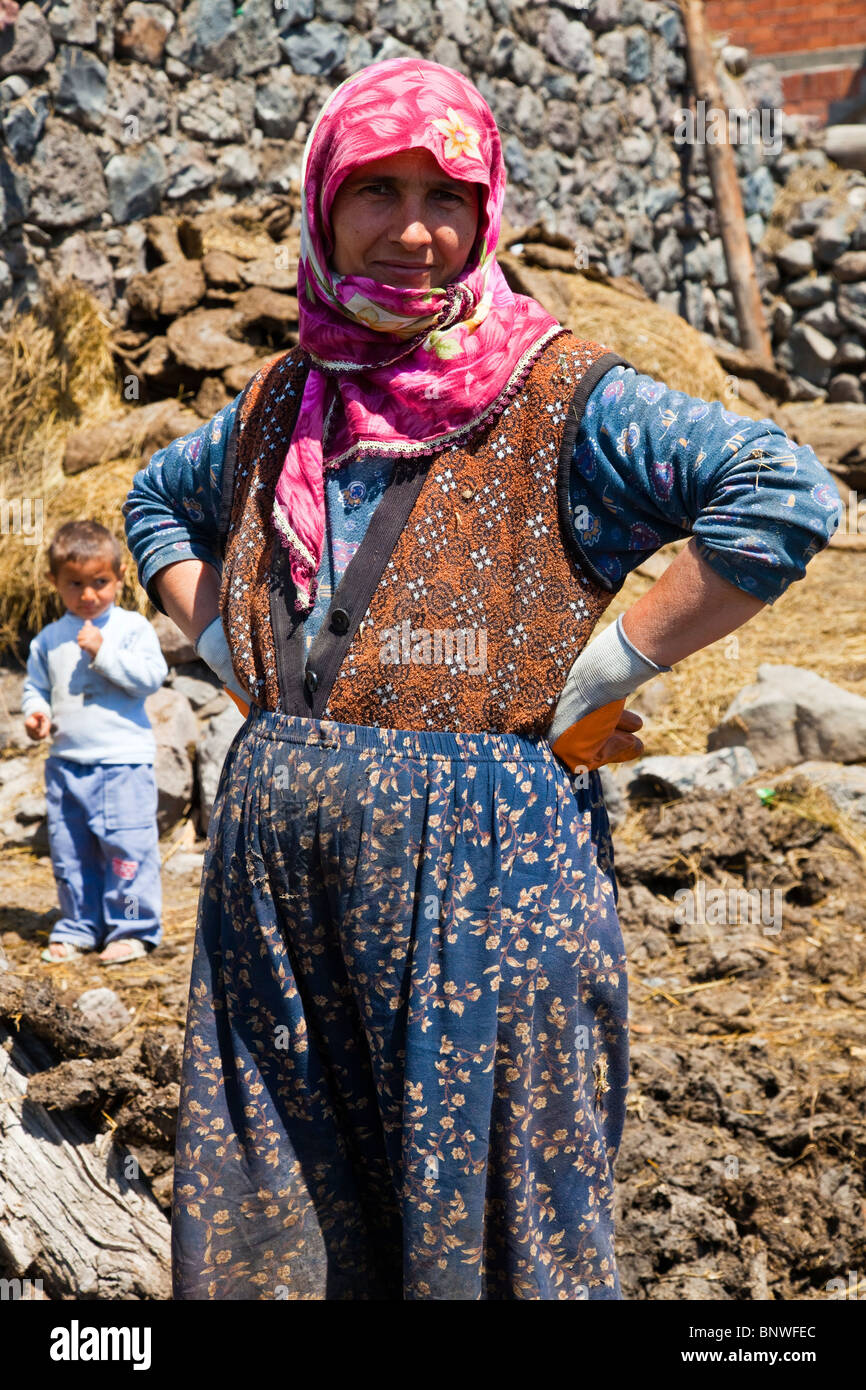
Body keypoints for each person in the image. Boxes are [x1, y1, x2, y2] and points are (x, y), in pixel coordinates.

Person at [123, 59, 842, 1300]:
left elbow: (782, 495)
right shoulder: (281, 401)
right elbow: (154, 507)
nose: (413, 229)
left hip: (483, 881)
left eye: (447, 194)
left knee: (501, 1210)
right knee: (287, 1209)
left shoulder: (555, 395)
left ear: (486, 209)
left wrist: (618, 660)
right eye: (378, 190)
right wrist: (232, 647)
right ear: (321, 202)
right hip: (276, 900)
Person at [22, 520, 167, 966]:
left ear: (121, 577)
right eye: (75, 584)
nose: (88, 595)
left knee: (126, 852)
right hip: (66, 765)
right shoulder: (48, 639)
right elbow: (36, 687)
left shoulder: (130, 628)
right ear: (55, 583)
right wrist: (37, 713)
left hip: (122, 764)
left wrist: (103, 652)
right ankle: (79, 925)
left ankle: (131, 927)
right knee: (70, 852)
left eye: (100, 583)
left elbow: (151, 678)